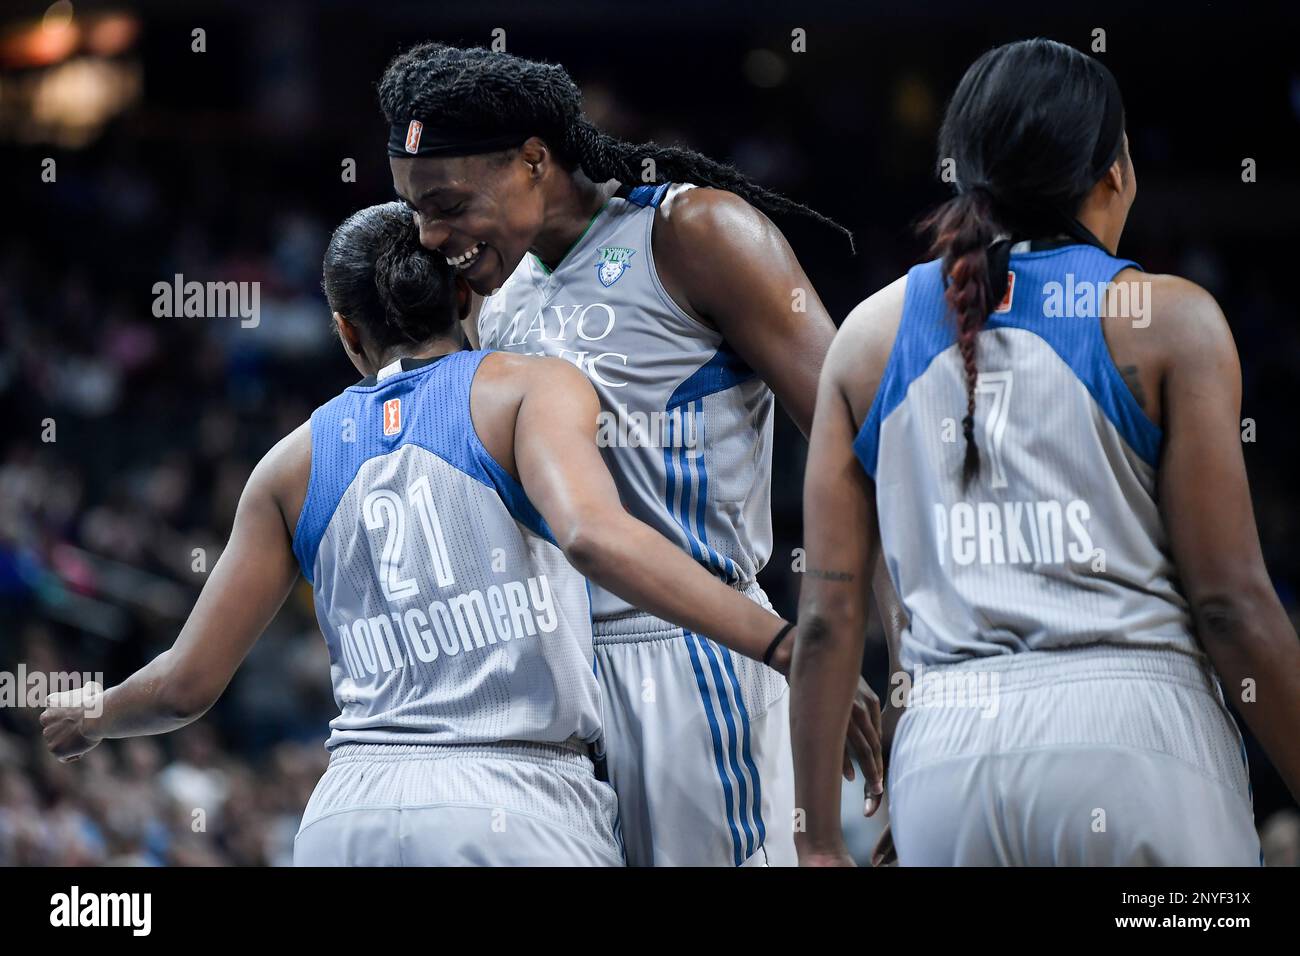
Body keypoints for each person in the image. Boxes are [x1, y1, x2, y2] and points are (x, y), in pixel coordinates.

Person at [41, 202, 823, 867]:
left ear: (347, 332)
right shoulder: (527, 390)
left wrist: (100, 712)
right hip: (514, 803)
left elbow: (185, 685)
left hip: (346, 816)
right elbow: (594, 535)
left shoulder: (288, 465)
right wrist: (782, 640)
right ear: (465, 292)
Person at [790, 38, 1300, 866]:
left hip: (946, 762)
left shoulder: (865, 337)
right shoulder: (1168, 319)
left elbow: (827, 621)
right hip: (1135, 741)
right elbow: (1231, 606)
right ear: (1113, 174)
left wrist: (816, 839)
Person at [378, 42, 890, 867]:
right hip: (552, 686)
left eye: (447, 204)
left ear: (534, 161)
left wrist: (859, 649)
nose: (433, 236)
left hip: (694, 657)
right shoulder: (496, 291)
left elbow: (856, 449)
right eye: (415, 213)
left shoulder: (694, 232)